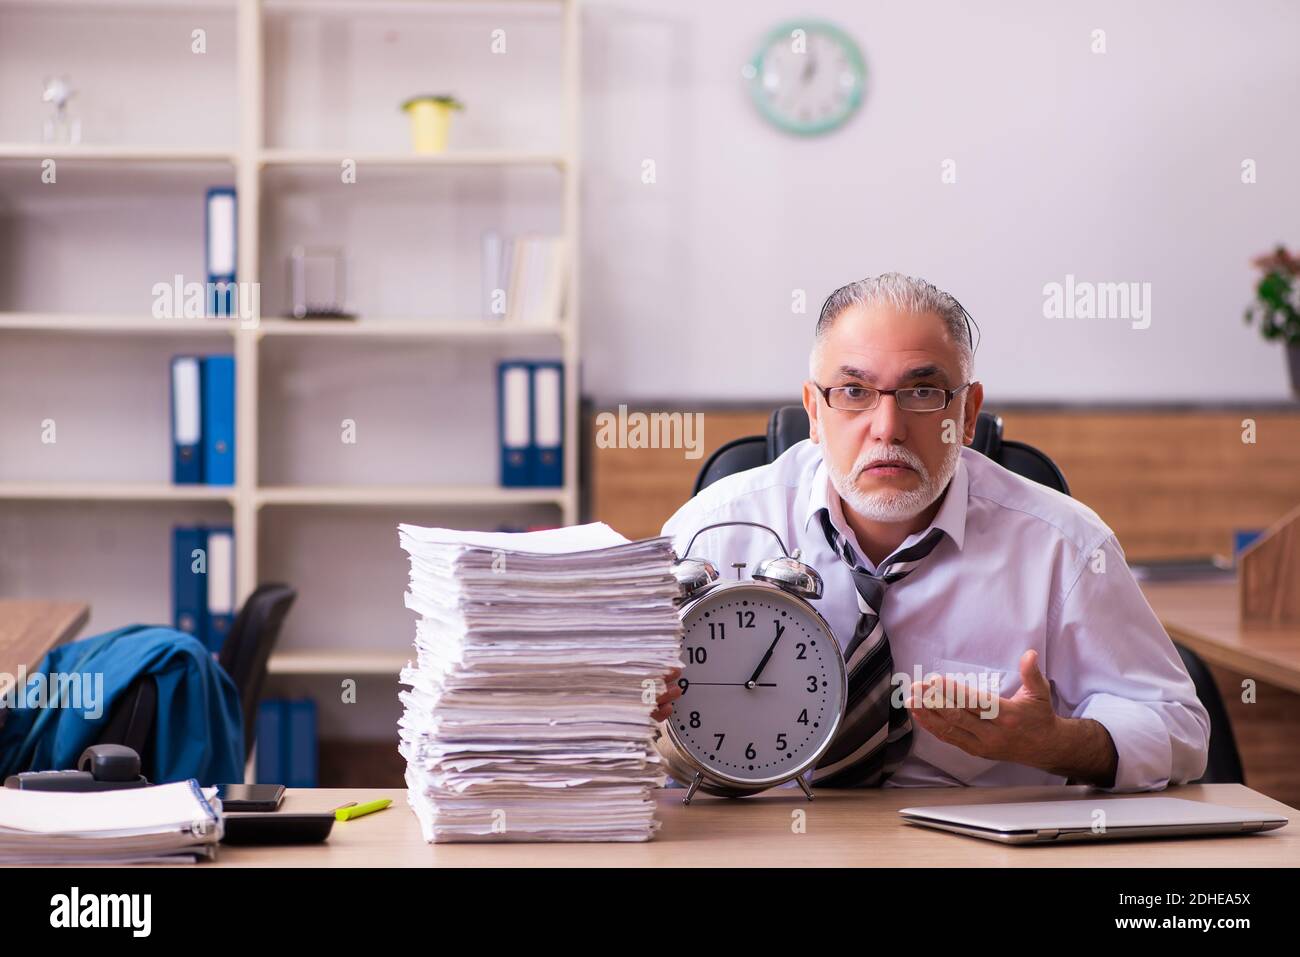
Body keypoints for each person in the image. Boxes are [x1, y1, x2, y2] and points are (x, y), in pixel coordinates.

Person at [651, 272, 1209, 791]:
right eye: (853, 392)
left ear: (967, 413)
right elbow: (595, 703)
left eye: (922, 393)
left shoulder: (1065, 545)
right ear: (814, 413)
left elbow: (1179, 728)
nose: (887, 428)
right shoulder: (715, 528)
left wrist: (1060, 744)